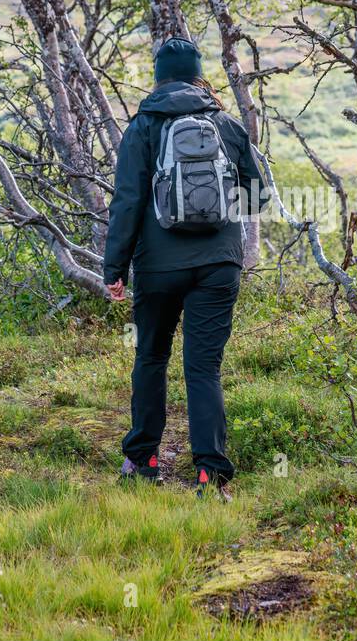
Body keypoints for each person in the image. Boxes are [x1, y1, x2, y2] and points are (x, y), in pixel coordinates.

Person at [103, 36, 269, 500]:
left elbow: (128, 203)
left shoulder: (142, 127)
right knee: (204, 368)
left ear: (159, 77)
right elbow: (259, 197)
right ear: (199, 75)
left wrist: (114, 267)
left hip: (157, 269)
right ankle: (209, 475)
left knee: (151, 358)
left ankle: (142, 461)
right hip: (218, 266)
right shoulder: (228, 125)